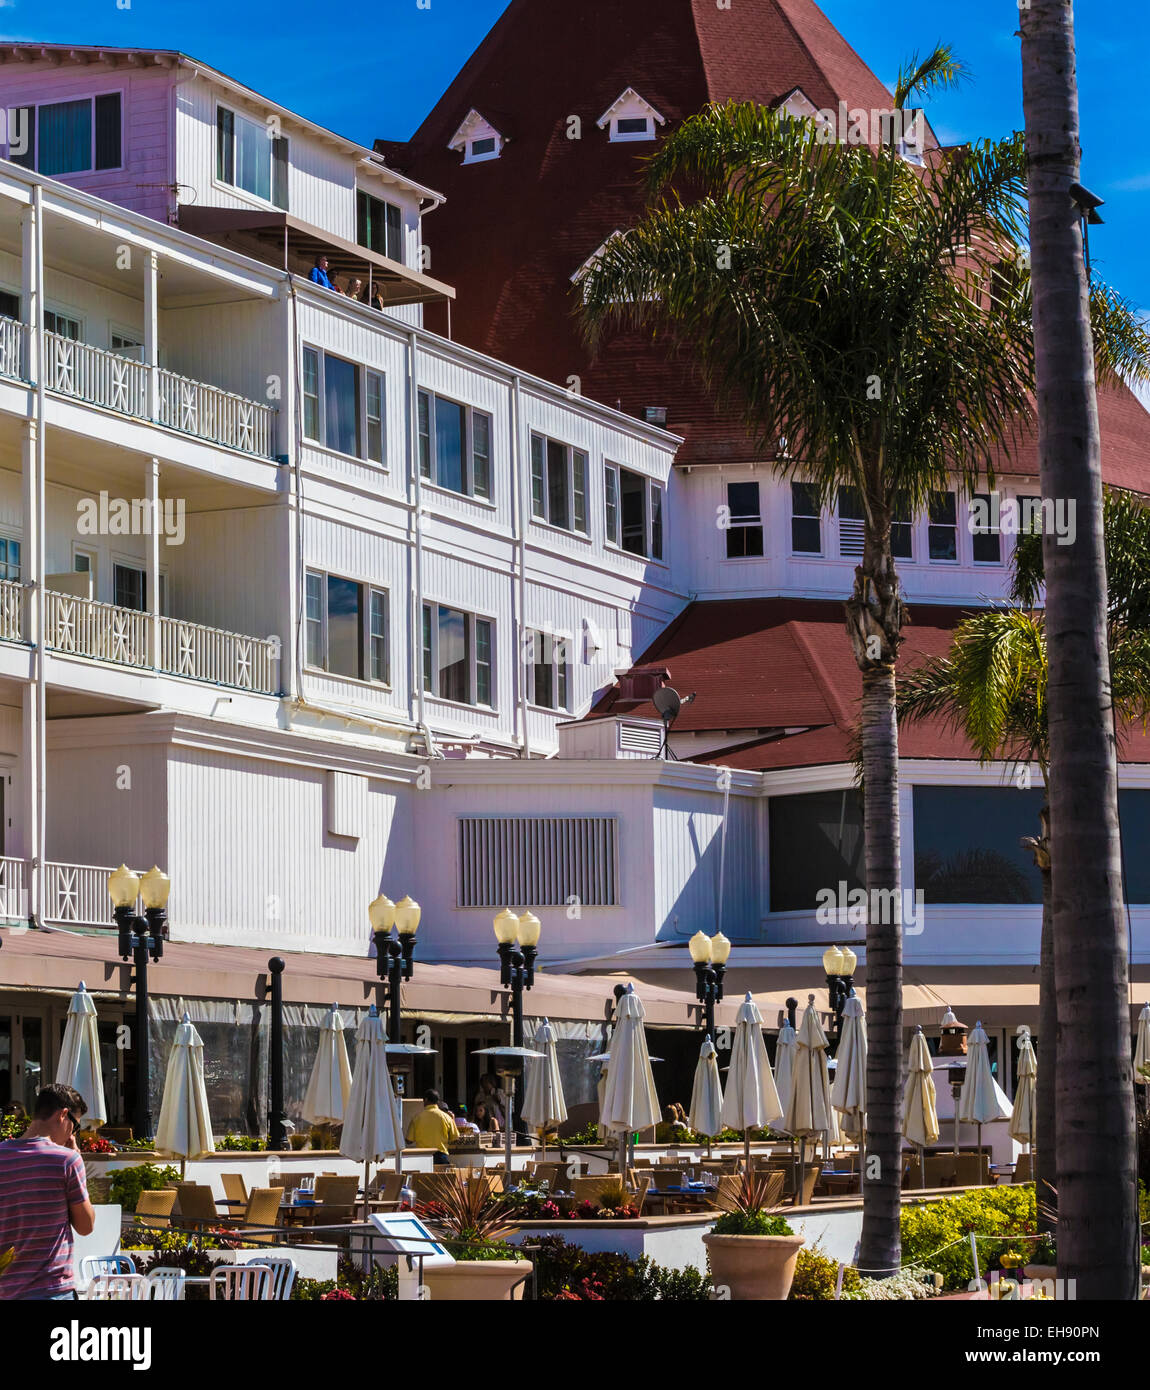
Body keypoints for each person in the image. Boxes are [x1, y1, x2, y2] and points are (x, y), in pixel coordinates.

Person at [0, 1083, 95, 1300]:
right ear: (63, 1115)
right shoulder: (66, 1160)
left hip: (7, 1291)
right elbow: (86, 1226)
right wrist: (76, 1160)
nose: (73, 1134)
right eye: (76, 1126)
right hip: (52, 1289)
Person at [405, 1089, 459, 1166]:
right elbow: (455, 1137)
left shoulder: (417, 1117)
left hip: (423, 1157)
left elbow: (409, 1141)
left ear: (426, 1100)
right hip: (441, 1156)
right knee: (440, 1178)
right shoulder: (446, 1117)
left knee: (423, 1178)